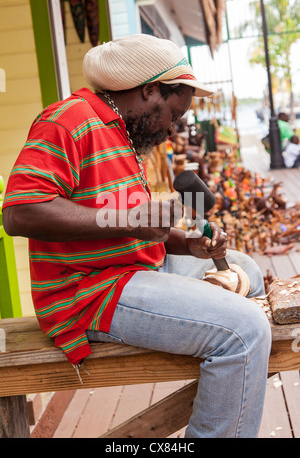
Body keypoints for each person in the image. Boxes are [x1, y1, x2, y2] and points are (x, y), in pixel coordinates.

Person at [2, 34, 271, 438]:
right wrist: (130, 219)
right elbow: (19, 212)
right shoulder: (68, 121)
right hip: (91, 289)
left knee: (246, 268)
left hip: (133, 267)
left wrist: (186, 243)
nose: (171, 129)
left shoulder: (123, 132)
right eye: (172, 115)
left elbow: (128, 225)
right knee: (246, 331)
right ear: (149, 91)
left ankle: (224, 381)